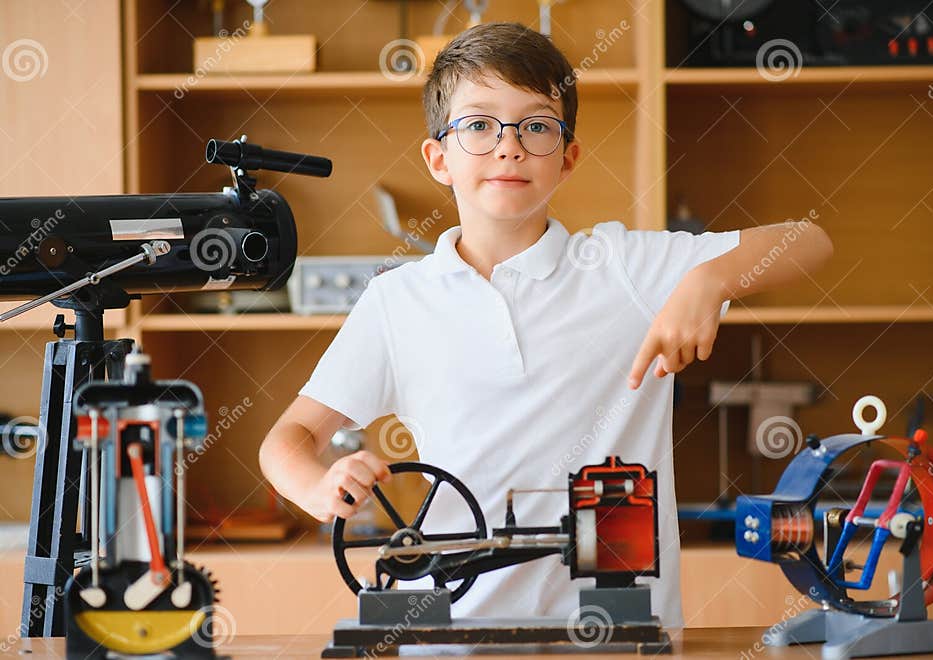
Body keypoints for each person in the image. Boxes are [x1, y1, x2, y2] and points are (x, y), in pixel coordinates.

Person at [259, 21, 833, 630]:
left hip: (618, 633)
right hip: (452, 634)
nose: (509, 146)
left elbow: (810, 241)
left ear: (568, 159)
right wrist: (321, 490)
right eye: (479, 125)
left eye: (537, 126)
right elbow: (287, 441)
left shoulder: (624, 267)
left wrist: (708, 279)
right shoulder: (396, 302)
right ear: (438, 158)